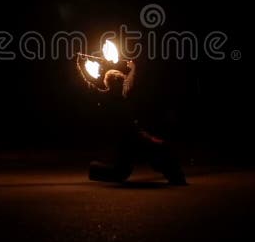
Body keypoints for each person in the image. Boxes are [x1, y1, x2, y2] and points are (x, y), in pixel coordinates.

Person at [76, 57, 187, 185]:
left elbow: (129, 80)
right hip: (126, 140)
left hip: (132, 138)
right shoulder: (110, 96)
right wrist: (78, 64)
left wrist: (133, 67)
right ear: (110, 84)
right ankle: (177, 177)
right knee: (148, 156)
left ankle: (177, 177)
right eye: (117, 79)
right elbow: (85, 85)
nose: (121, 79)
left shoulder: (124, 93)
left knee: (153, 153)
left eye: (120, 78)